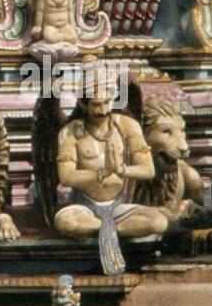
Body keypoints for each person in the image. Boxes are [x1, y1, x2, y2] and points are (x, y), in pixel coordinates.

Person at [54, 65, 168, 273]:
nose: (103, 110)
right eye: (96, 105)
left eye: (107, 102)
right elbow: (66, 176)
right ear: (83, 103)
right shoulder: (70, 132)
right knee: (65, 221)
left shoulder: (127, 126)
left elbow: (148, 170)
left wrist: (121, 170)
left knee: (159, 222)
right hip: (85, 208)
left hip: (118, 206)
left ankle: (107, 228)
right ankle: (106, 228)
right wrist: (102, 173)